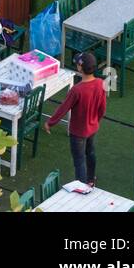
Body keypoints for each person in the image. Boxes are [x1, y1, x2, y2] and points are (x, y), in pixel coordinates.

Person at [44, 50, 107, 187]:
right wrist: (96, 121)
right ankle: (91, 180)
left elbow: (64, 108)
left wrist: (50, 122)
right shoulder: (101, 84)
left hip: (78, 132)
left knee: (79, 161)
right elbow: (102, 109)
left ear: (80, 67)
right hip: (93, 127)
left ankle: (82, 187)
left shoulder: (77, 90)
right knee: (90, 153)